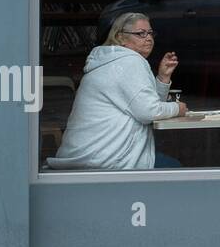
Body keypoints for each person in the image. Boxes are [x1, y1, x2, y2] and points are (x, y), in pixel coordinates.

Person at [47, 12, 186, 170]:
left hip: (87, 156)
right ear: (120, 38)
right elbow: (149, 112)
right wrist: (177, 108)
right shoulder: (129, 61)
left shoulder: (110, 61)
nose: (148, 38)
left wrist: (162, 78)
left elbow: (144, 104)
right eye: (140, 33)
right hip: (108, 159)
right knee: (176, 170)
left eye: (150, 33)